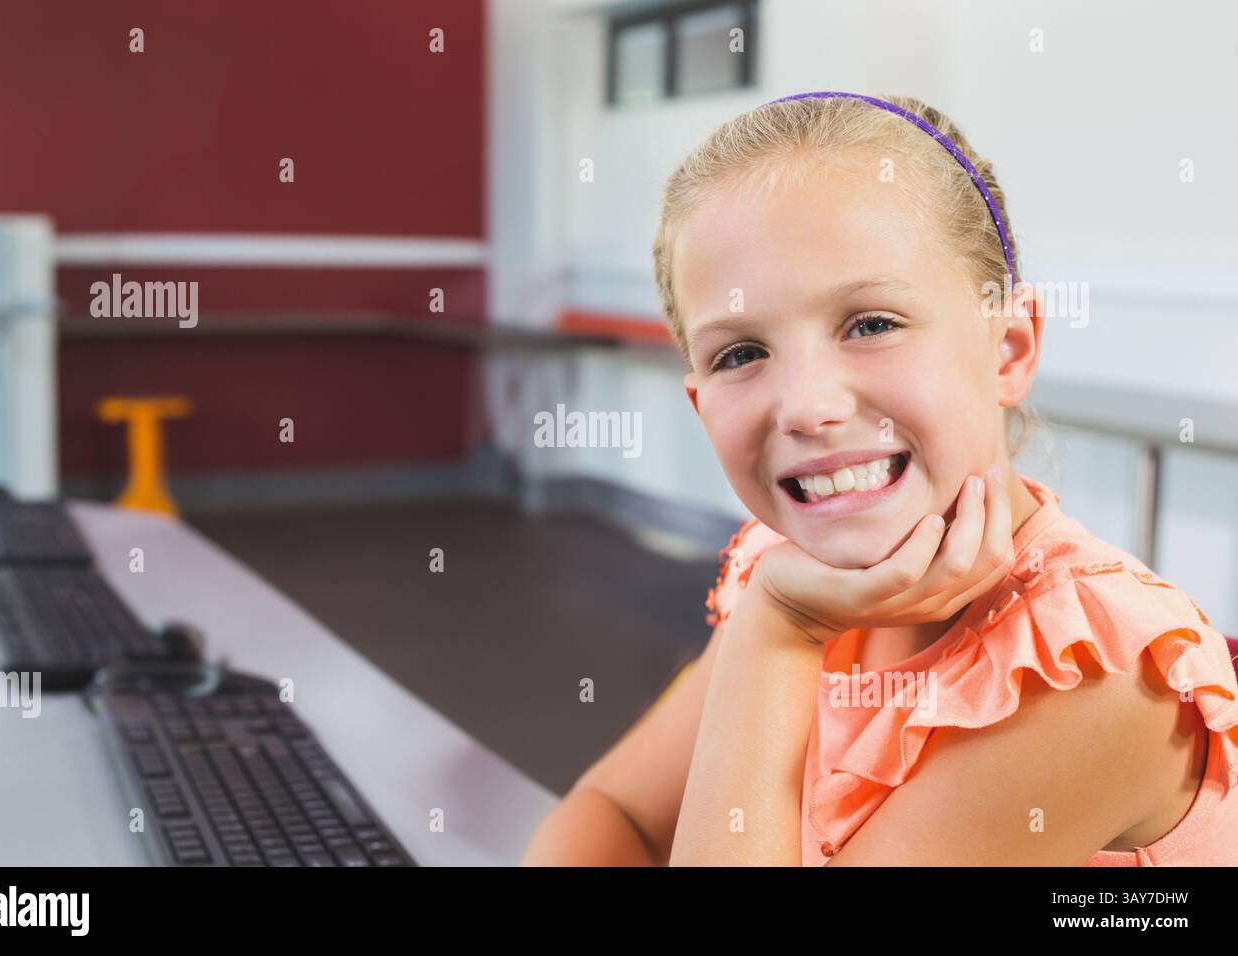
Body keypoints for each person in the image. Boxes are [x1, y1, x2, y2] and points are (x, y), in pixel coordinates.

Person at [521, 92, 1238, 866]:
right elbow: (611, 812)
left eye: (871, 325)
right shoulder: (793, 573)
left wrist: (775, 636)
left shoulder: (1095, 674)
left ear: (1009, 349)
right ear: (700, 402)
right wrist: (778, 621)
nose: (809, 408)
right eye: (740, 354)